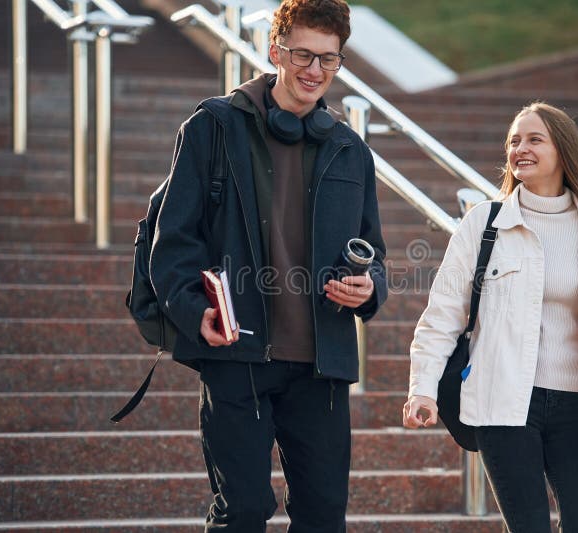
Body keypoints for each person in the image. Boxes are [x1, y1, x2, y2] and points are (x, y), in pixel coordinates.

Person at [402, 102, 578, 532]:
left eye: (534, 139)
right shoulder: (485, 224)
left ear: (563, 151)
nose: (520, 148)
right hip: (504, 402)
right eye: (514, 141)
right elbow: (442, 316)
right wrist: (422, 388)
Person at [150, 1, 387, 531]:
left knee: (324, 515)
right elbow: (173, 244)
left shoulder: (351, 151)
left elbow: (376, 253)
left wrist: (368, 288)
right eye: (303, 54)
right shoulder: (212, 127)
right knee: (243, 512)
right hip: (237, 356)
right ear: (274, 50)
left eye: (329, 59)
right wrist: (194, 312)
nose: (315, 71)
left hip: (321, 366)